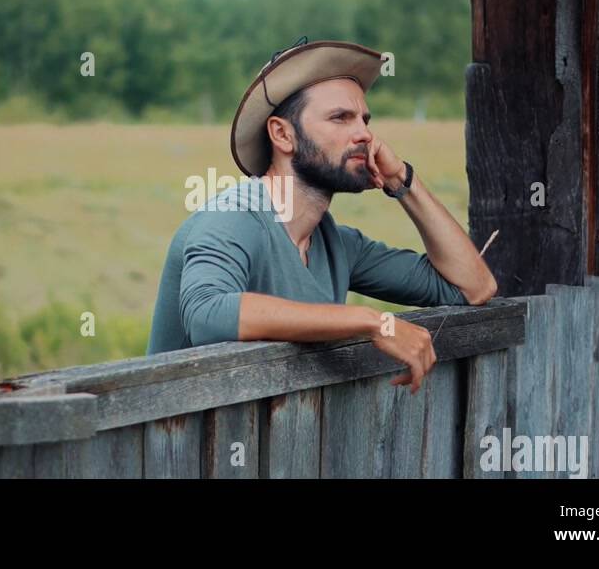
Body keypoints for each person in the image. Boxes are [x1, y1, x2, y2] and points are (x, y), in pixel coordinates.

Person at [146, 39, 497, 393]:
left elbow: (472, 287)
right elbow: (207, 315)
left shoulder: (337, 245)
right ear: (283, 134)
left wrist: (401, 180)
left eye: (364, 119)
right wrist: (371, 321)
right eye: (340, 118)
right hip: (176, 442)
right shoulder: (234, 216)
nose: (364, 134)